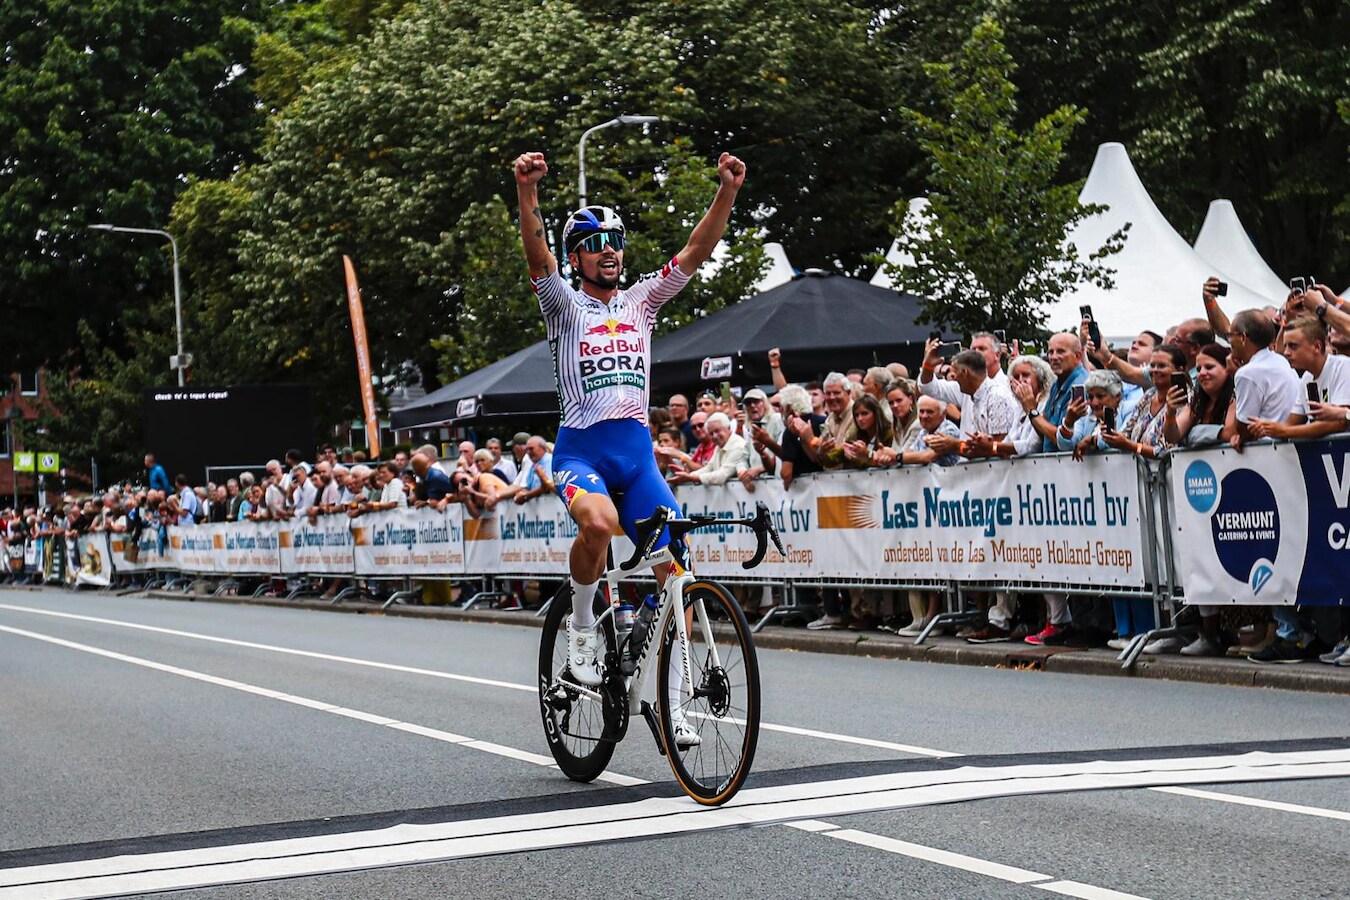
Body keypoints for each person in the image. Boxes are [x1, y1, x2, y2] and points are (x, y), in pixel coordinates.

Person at [513, 145, 744, 746]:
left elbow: (696, 251)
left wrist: (727, 191)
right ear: (577, 256)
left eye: (614, 239)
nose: (609, 249)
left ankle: (672, 701)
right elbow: (537, 257)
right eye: (594, 242)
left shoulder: (642, 301)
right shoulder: (564, 304)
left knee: (675, 571)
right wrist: (527, 193)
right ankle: (583, 631)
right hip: (582, 451)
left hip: (637, 456)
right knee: (598, 524)